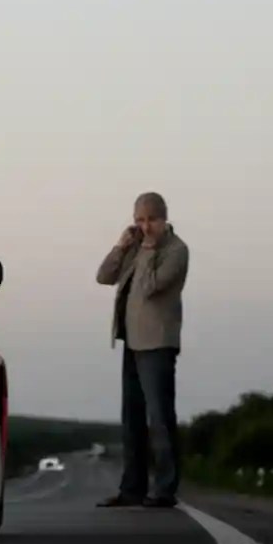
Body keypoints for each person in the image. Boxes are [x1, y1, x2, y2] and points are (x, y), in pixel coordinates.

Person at [94, 192, 190, 508]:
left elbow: (151, 287)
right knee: (131, 418)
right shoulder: (134, 248)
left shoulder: (176, 251)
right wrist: (123, 245)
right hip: (132, 341)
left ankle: (164, 489)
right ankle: (131, 488)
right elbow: (104, 276)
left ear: (164, 219)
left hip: (158, 343)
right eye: (139, 220)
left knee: (159, 417)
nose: (145, 226)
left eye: (151, 219)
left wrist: (148, 249)